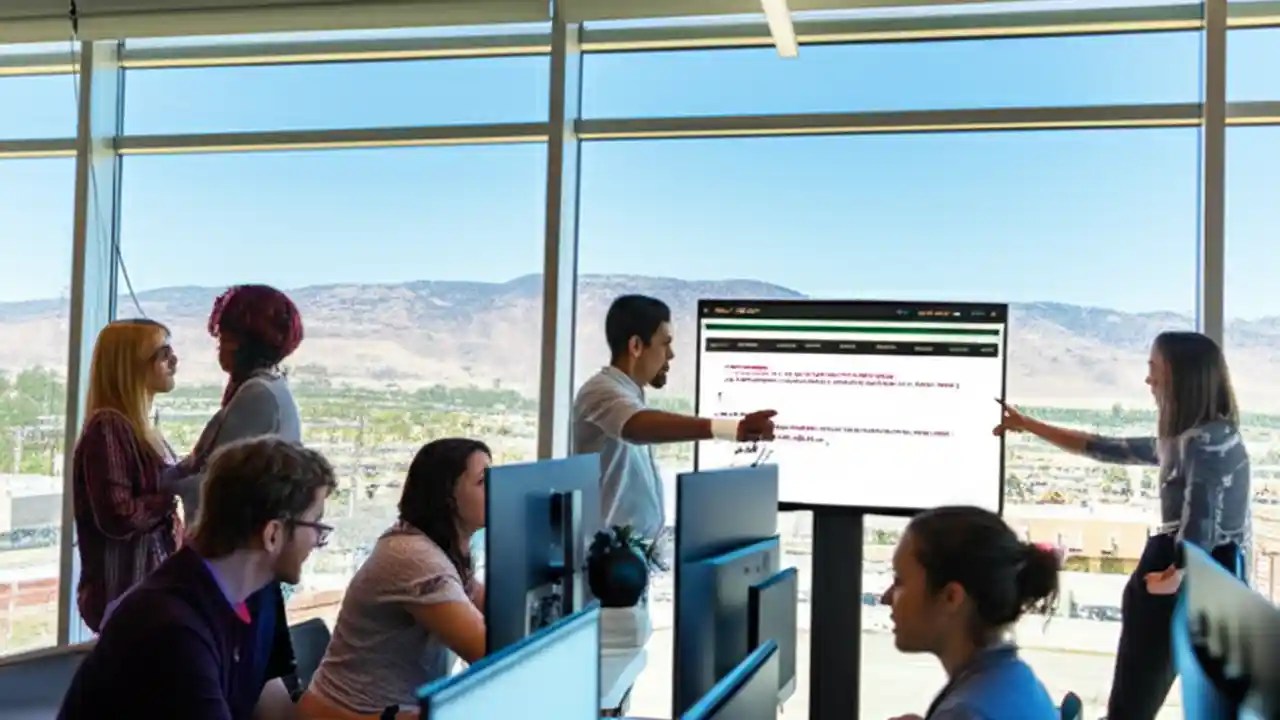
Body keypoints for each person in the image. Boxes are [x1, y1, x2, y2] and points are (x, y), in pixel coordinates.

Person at [994, 330, 1250, 720]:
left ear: (1181, 376)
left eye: (1154, 370)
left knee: (1132, 706)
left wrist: (1166, 580)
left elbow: (1201, 520)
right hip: (1206, 580)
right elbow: (1105, 447)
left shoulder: (1202, 443)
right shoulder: (1197, 437)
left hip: (1181, 579)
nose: (1149, 381)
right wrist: (1029, 425)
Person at [58, 436, 336, 720]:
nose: (318, 540)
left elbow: (267, 700)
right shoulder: (171, 628)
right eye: (316, 525)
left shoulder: (258, 593)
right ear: (273, 534)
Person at [298, 438, 489, 720]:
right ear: (447, 495)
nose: (496, 490)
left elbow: (493, 607)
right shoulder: (414, 558)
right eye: (483, 481)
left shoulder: (441, 548)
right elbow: (488, 653)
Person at [573, 294, 777, 542]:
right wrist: (733, 428)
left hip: (626, 560)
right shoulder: (601, 391)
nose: (670, 355)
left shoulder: (626, 394)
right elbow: (637, 427)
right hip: (605, 566)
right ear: (636, 346)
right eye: (664, 343)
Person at [883, 505, 1059, 720]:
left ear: (951, 597)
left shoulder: (966, 712)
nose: (886, 598)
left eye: (899, 581)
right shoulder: (1016, 679)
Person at [71, 318, 181, 633]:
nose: (174, 360)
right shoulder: (109, 426)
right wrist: (170, 495)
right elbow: (118, 515)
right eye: (163, 352)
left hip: (144, 590)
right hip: (125, 593)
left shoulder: (139, 427)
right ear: (132, 364)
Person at [174, 283, 305, 524]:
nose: (220, 347)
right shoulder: (268, 386)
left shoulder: (258, 394)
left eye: (223, 338)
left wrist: (165, 487)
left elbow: (220, 481)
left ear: (242, 343)